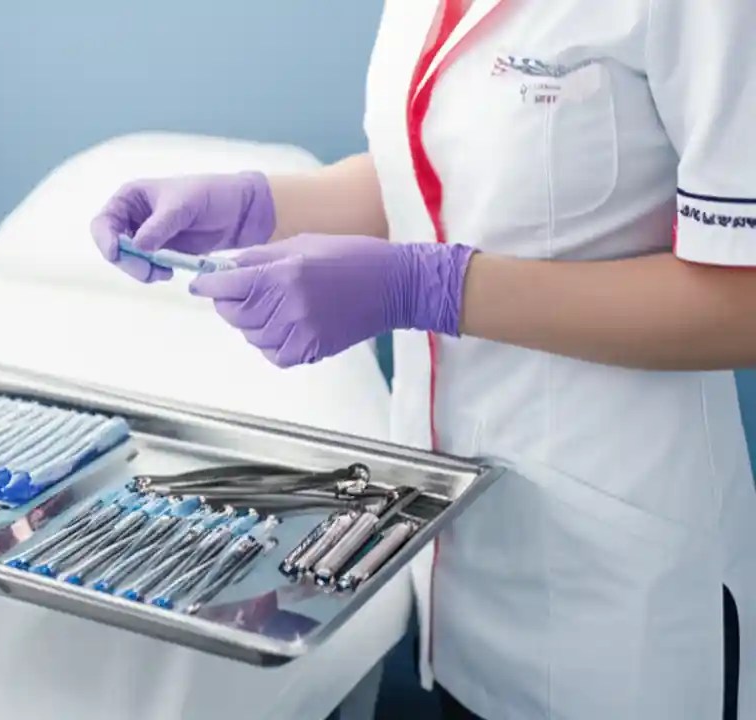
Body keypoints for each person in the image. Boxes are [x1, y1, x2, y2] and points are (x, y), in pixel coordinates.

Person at [89, 1, 756, 718]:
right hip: (457, 554)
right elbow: (447, 172)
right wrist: (260, 205)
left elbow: (741, 305)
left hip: (623, 591)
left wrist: (426, 287)